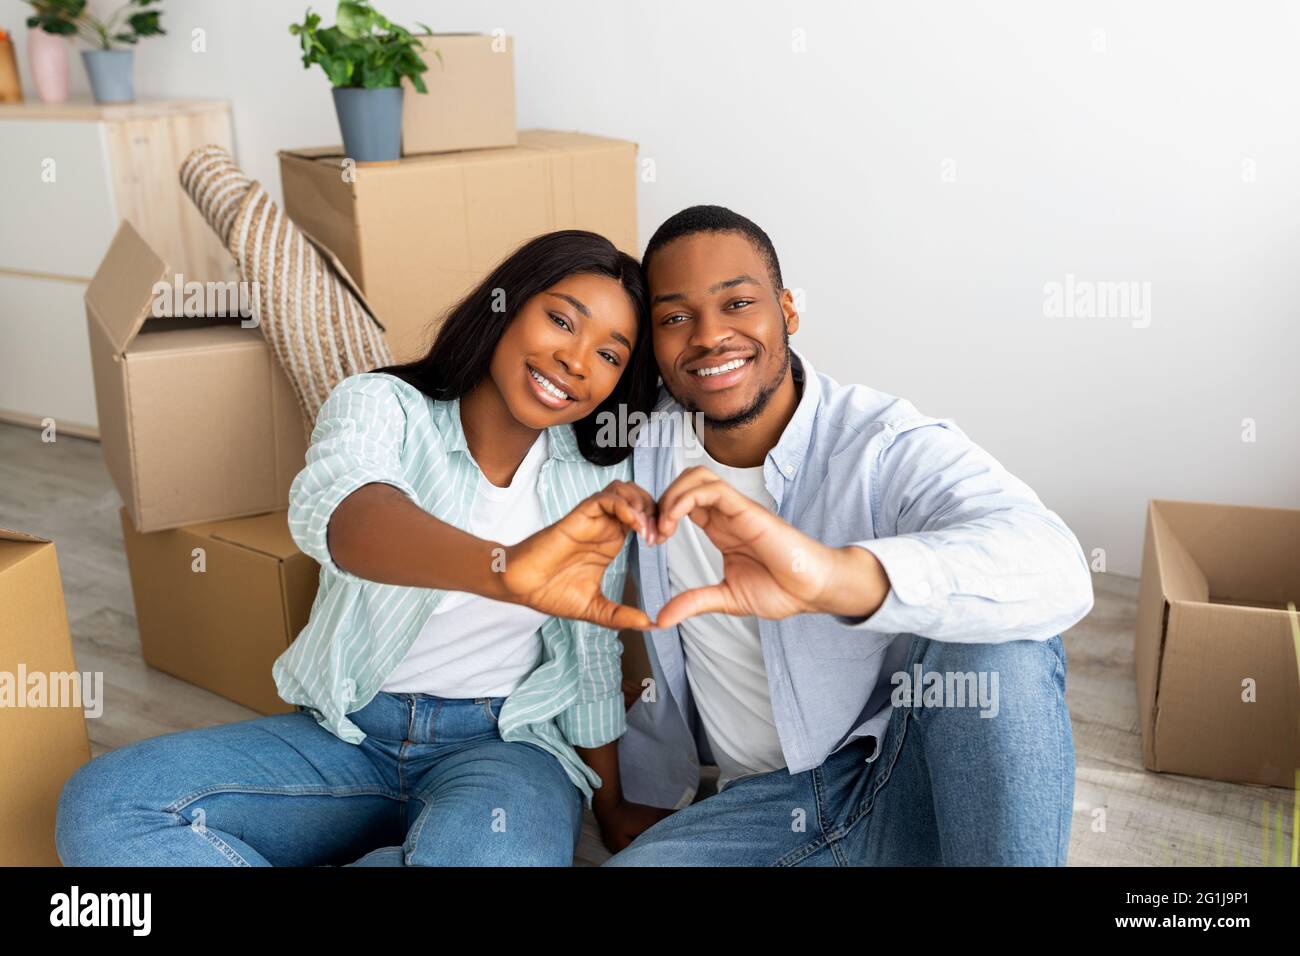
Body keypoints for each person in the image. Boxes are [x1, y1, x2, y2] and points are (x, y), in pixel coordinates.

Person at [56, 230, 661, 867]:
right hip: (346, 734)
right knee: (108, 805)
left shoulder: (594, 480)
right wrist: (502, 568)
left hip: (506, 747)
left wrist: (610, 803)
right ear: (504, 307)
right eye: (561, 320)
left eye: (610, 356)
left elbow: (593, 653)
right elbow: (348, 516)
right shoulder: (381, 406)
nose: (576, 361)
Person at [595, 206, 1095, 865]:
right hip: (764, 810)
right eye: (675, 317)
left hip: (902, 776)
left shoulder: (881, 444)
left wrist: (833, 577)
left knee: (1001, 649)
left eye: (738, 302)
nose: (710, 336)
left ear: (788, 311)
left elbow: (1054, 563)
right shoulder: (639, 443)